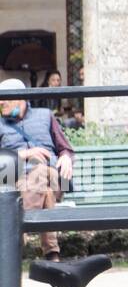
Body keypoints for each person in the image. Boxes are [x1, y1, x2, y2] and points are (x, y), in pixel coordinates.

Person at [0, 76, 75, 260]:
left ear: (19, 98)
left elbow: (65, 148)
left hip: (52, 174)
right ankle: (52, 254)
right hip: (15, 181)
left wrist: (66, 157)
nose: (0, 102)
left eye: (4, 98)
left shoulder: (45, 115)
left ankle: (19, 231)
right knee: (45, 191)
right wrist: (22, 155)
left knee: (40, 169)